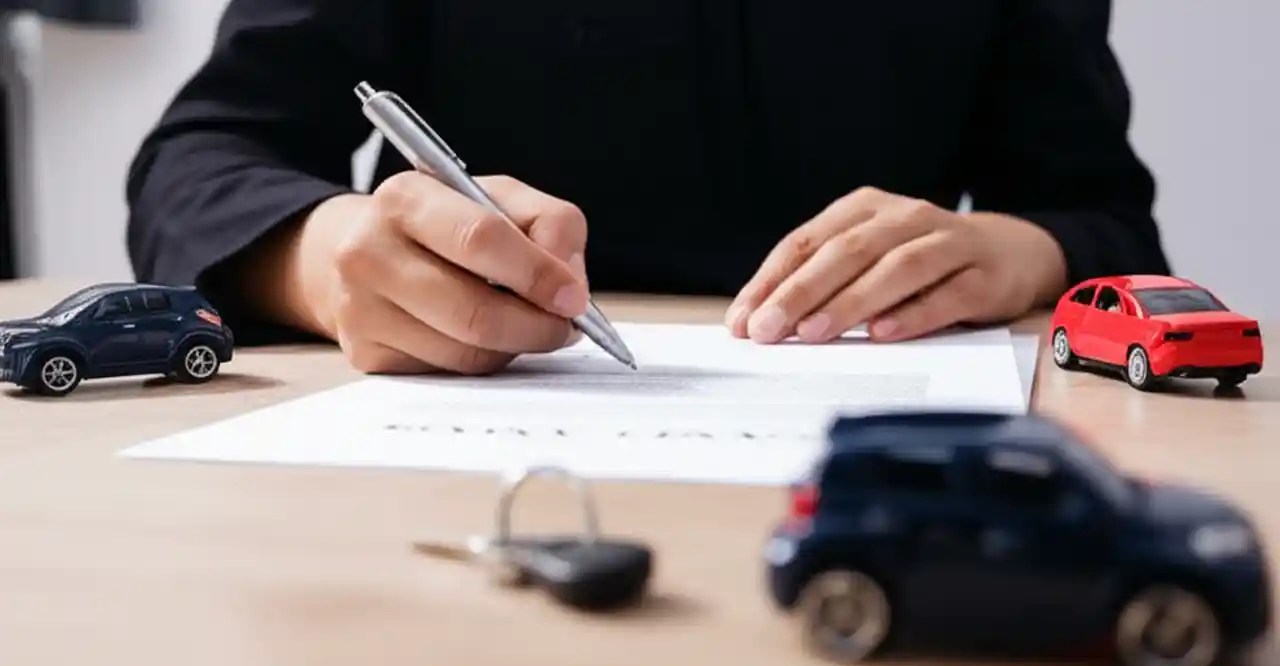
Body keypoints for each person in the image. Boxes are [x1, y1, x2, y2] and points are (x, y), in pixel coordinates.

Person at [126, 0, 1170, 375]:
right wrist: (326, 259)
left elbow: (1107, 221)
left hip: (887, 435)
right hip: (463, 462)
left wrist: (1018, 252)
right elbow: (195, 165)